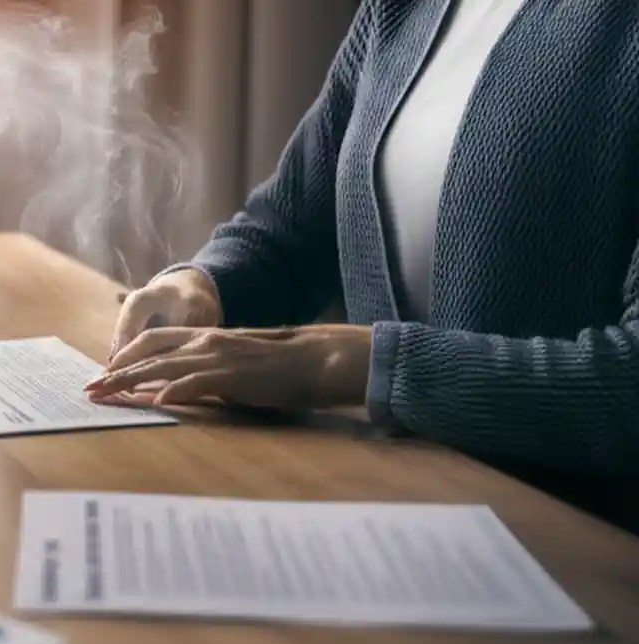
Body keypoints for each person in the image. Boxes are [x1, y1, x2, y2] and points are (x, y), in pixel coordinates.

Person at [86, 0, 639, 517]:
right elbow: (290, 228)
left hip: (569, 541)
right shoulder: (401, 9)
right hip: (390, 503)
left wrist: (349, 364)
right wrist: (205, 284)